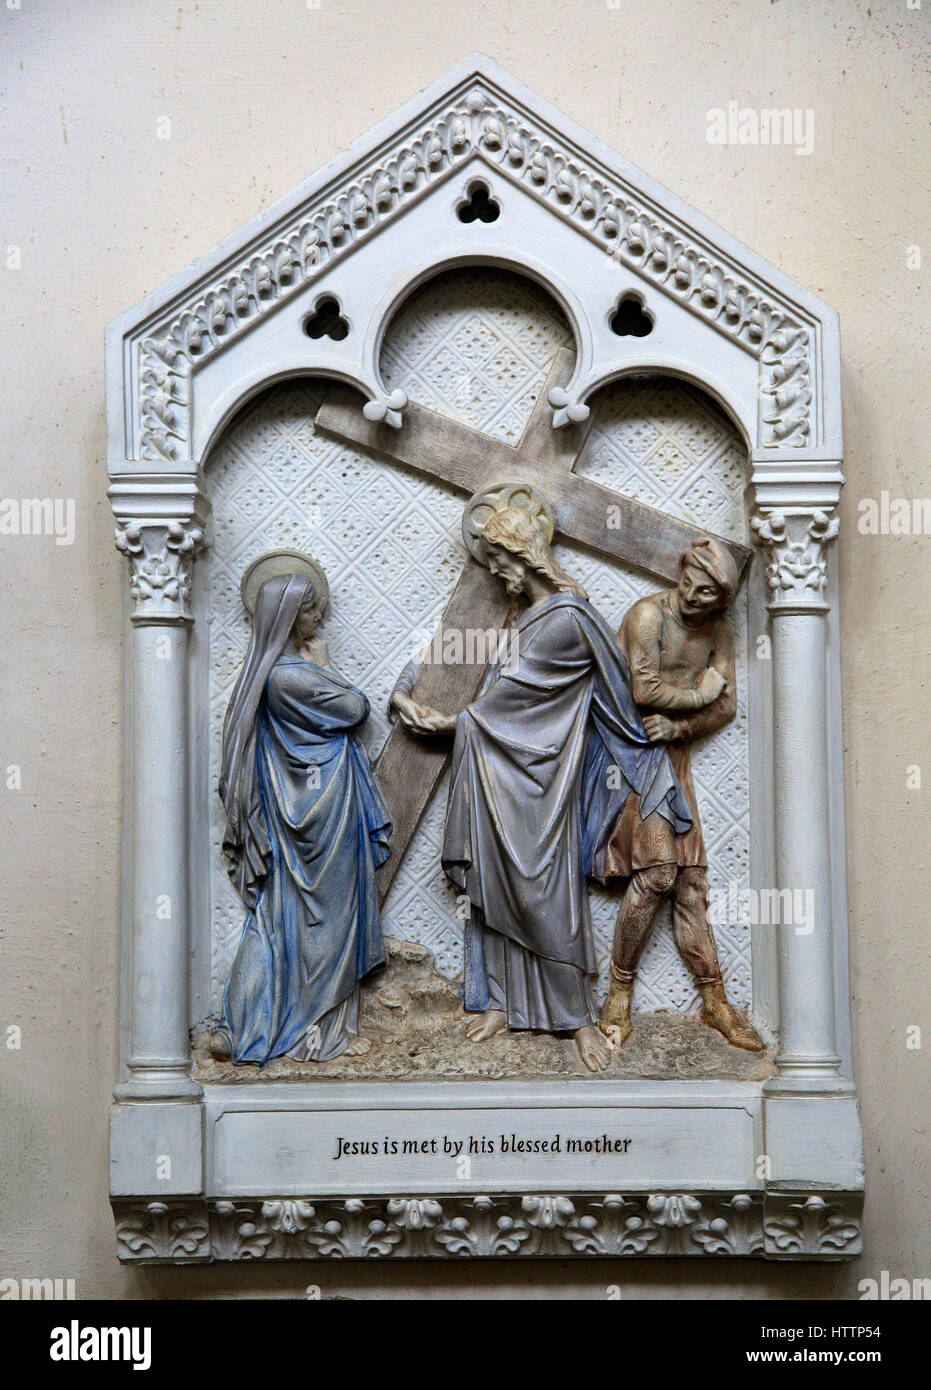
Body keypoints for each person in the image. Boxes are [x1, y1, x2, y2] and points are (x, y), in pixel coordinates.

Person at [394, 506, 691, 1072]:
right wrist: (408, 691)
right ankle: (503, 1002)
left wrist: (453, 724)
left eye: (499, 558)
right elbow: (493, 689)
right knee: (496, 885)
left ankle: (577, 1017)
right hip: (498, 773)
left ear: (525, 555)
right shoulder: (526, 620)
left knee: (547, 894)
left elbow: (514, 702)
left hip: (544, 782)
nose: (495, 571)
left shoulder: (567, 619)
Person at [214, 554, 391, 1065]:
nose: (319, 619)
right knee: (323, 921)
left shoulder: (265, 675)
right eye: (312, 611)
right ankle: (310, 1032)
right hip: (321, 818)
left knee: (279, 920)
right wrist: (326, 666)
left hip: (300, 813)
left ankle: (243, 1027)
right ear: (293, 618)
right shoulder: (292, 676)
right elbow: (356, 709)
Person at [598, 537, 763, 1052]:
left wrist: (682, 727)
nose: (695, 596)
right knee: (658, 874)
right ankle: (618, 995)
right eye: (692, 582)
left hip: (673, 758)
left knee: (690, 883)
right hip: (630, 759)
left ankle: (715, 1001)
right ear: (681, 571)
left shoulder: (719, 634)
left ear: (722, 600)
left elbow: (727, 707)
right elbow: (643, 690)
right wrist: (700, 693)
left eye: (709, 592)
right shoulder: (648, 616)